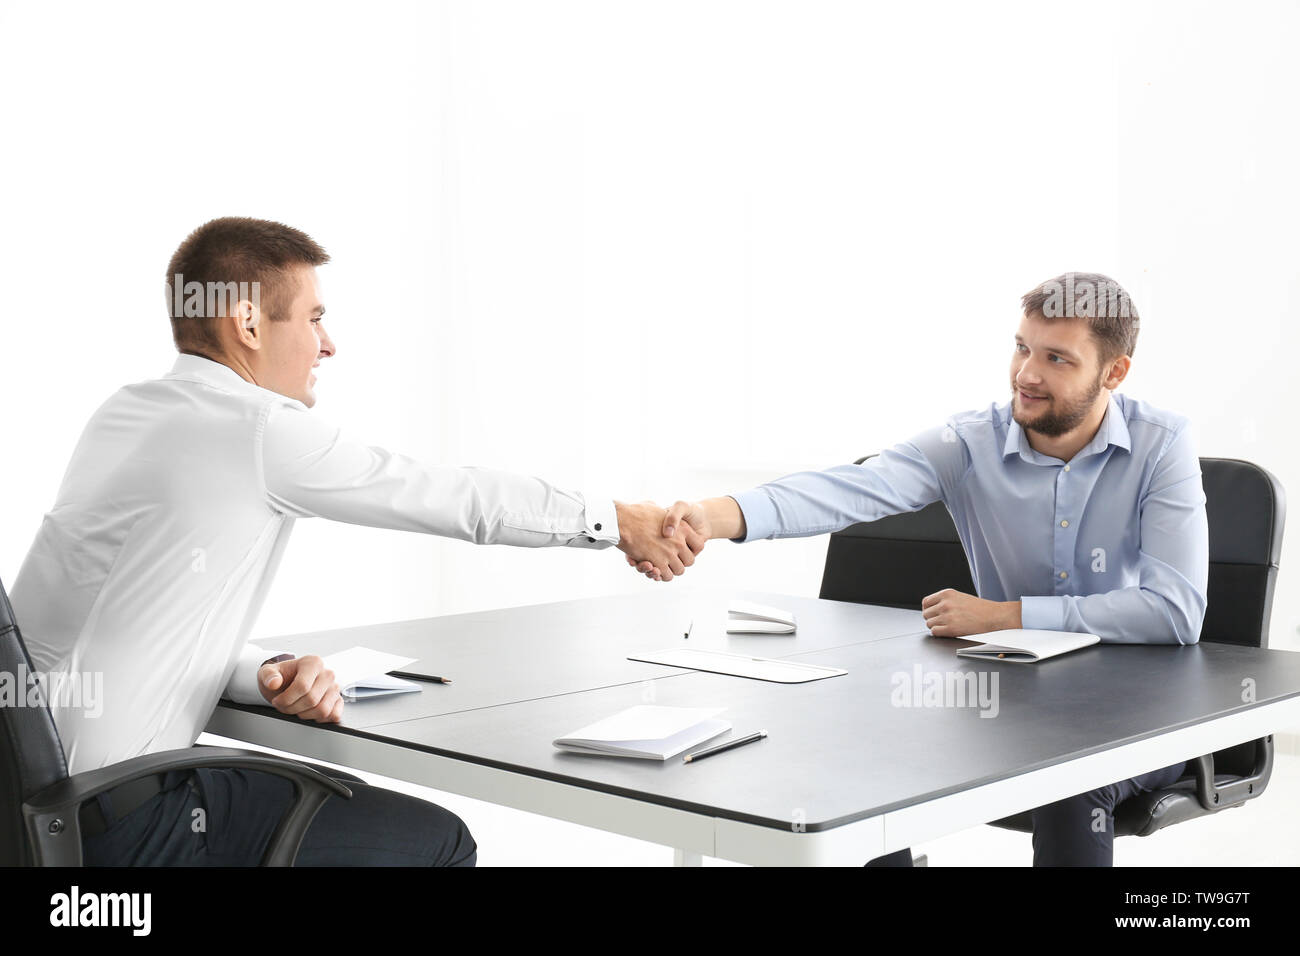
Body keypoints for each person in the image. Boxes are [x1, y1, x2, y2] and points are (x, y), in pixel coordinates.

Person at [9, 216, 703, 866]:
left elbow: (117, 627)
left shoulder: (124, 415)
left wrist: (265, 674)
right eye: (314, 318)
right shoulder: (256, 428)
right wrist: (619, 520)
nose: (329, 343)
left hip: (33, 814)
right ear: (246, 321)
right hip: (124, 828)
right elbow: (451, 497)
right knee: (435, 842)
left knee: (343, 802)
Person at [632, 272, 1208, 867]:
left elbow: (1175, 611)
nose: (1026, 374)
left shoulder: (1162, 445)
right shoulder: (970, 441)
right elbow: (851, 488)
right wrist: (709, 515)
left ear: (1113, 373)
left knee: (1069, 780)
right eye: (1021, 347)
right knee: (859, 744)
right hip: (1015, 699)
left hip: (1142, 710)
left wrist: (1006, 615)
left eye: (1056, 358)